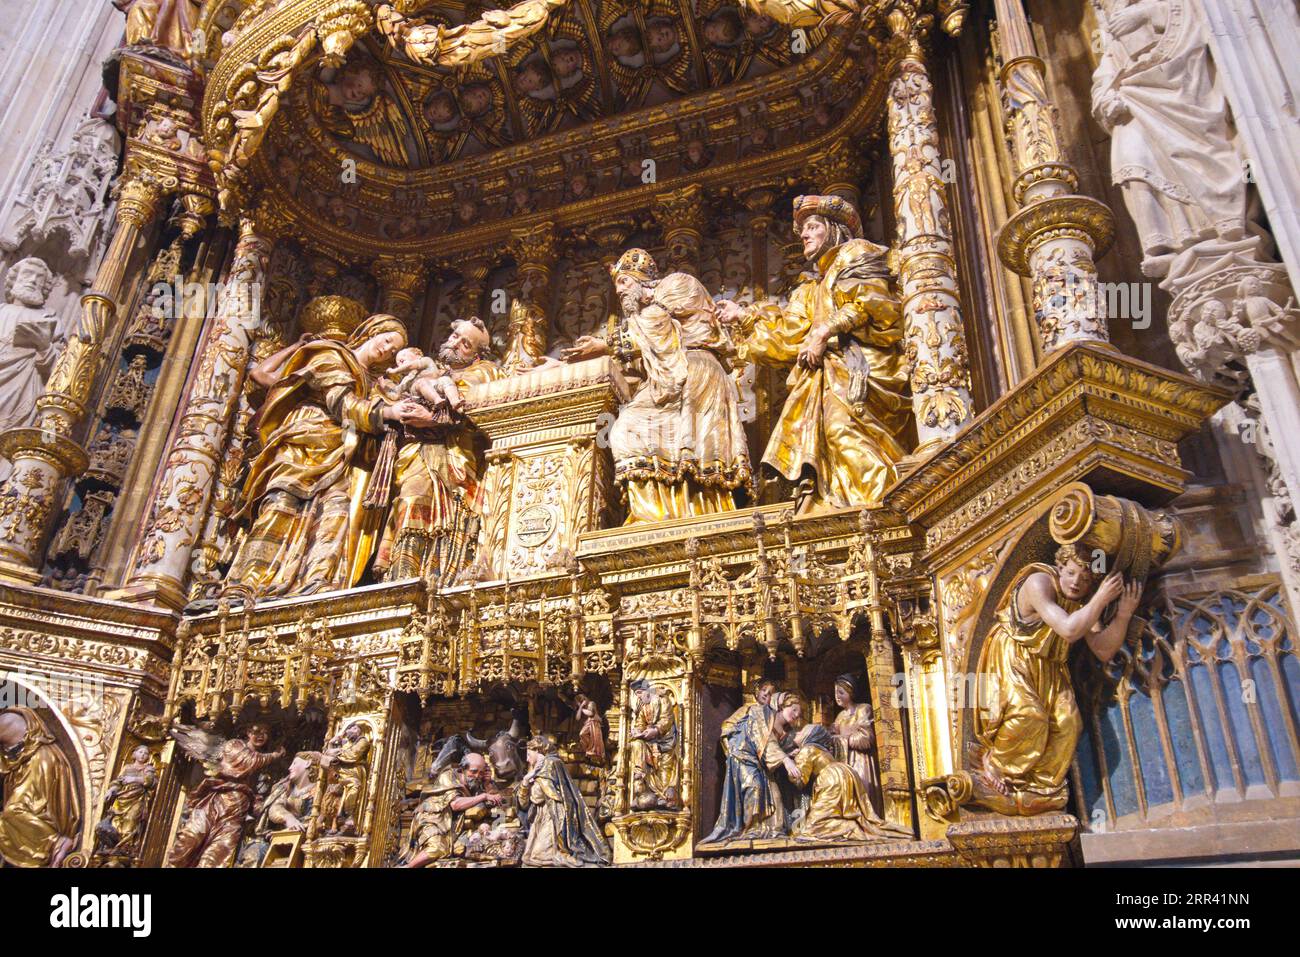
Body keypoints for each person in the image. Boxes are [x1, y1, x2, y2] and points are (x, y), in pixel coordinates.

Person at [717, 195, 909, 511]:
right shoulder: (811, 288)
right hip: (826, 375)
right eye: (802, 230)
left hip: (857, 367)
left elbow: (876, 303)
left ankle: (881, 507)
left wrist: (825, 330)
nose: (804, 235)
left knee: (841, 430)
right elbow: (790, 331)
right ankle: (847, 506)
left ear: (833, 230)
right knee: (829, 436)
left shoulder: (856, 254)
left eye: (812, 227)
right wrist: (742, 315)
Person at [222, 314, 419, 599]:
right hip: (304, 441)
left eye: (392, 351)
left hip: (341, 454)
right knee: (283, 503)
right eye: (386, 340)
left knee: (335, 513)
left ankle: (314, 583)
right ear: (371, 332)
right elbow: (340, 402)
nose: (386, 350)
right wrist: (387, 413)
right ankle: (248, 583)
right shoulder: (331, 355)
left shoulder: (373, 382)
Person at [565, 248, 751, 524]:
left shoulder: (676, 285)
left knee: (641, 433)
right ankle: (657, 514)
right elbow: (638, 365)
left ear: (642, 280)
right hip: (672, 380)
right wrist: (563, 366)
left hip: (696, 373)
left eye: (624, 282)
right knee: (629, 431)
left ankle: (695, 512)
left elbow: (658, 329)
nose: (620, 291)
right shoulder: (645, 317)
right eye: (617, 286)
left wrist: (604, 346)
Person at [973, 544, 1142, 814]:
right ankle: (996, 763)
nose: (1077, 583)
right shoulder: (1038, 583)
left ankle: (1039, 787)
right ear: (1060, 567)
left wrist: (1123, 614)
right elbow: (1068, 628)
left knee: (1068, 724)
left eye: (1086, 579)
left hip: (1050, 664)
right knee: (1028, 716)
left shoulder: (1083, 601)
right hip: (1015, 655)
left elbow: (1103, 649)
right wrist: (1100, 597)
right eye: (1072, 573)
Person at [374, 317, 504, 581]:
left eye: (465, 344)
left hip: (452, 457)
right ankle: (401, 577)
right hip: (416, 451)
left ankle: (431, 578)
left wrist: (432, 418)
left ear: (478, 354)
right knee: (407, 501)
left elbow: (475, 414)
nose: (455, 343)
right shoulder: (432, 369)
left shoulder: (484, 372)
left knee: (419, 500)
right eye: (455, 335)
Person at [167, 723, 284, 868]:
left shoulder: (263, 768)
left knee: (219, 852)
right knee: (191, 837)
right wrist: (274, 755)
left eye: (265, 733)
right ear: (248, 732)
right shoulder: (234, 745)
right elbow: (247, 761)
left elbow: (257, 792)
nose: (261, 735)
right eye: (257, 731)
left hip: (237, 810)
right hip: (217, 801)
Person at [702, 691, 803, 844]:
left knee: (775, 796)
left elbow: (769, 751)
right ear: (783, 705)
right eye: (793, 709)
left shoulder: (784, 732)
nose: (796, 715)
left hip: (762, 765)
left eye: (799, 713)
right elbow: (765, 741)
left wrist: (788, 755)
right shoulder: (762, 713)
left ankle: (773, 832)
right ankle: (751, 829)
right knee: (754, 788)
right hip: (743, 756)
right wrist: (785, 760)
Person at [789, 723, 898, 842]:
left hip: (831, 779)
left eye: (802, 731)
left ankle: (852, 828)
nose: (797, 732)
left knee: (814, 825)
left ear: (809, 736)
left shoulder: (807, 749)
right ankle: (853, 825)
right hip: (846, 773)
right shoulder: (822, 751)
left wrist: (788, 764)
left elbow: (799, 780)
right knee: (834, 813)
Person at [0, 707, 78, 867]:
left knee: (13, 811)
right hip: (30, 763)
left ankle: (56, 842)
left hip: (40, 761)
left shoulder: (7, 718)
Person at [518, 734, 610, 867]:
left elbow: (538, 796)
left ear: (538, 750)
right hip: (541, 817)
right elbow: (523, 803)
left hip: (553, 817)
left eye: (528, 754)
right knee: (531, 857)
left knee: (538, 855)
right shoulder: (537, 771)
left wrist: (532, 779)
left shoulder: (551, 765)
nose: (527, 759)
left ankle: (563, 854)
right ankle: (561, 856)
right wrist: (526, 781)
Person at [403, 752, 501, 867]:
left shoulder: (476, 784)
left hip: (454, 825)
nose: (477, 776)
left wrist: (487, 784)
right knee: (437, 848)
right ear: (462, 769)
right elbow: (456, 804)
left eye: (481, 773)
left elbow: (494, 804)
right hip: (433, 817)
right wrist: (483, 796)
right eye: (473, 771)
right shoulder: (449, 776)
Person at [830, 673, 882, 815]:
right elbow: (832, 737)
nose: (837, 696)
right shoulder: (839, 717)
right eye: (835, 693)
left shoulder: (863, 709)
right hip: (844, 761)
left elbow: (866, 738)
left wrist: (842, 739)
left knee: (862, 791)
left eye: (841, 692)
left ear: (851, 693)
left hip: (860, 760)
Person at [627, 679, 682, 810]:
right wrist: (638, 731)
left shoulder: (662, 699)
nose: (639, 696)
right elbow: (640, 722)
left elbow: (667, 718)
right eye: (637, 694)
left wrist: (656, 730)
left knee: (664, 769)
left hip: (665, 740)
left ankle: (665, 797)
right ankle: (640, 772)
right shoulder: (643, 705)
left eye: (640, 693)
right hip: (650, 742)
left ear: (647, 691)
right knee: (636, 743)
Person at [94, 745, 156, 857]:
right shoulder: (127, 768)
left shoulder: (148, 768)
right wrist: (111, 790)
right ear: (134, 754)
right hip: (122, 798)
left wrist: (134, 779)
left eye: (145, 753)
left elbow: (149, 781)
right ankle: (113, 846)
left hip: (137, 799)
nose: (142, 755)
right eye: (140, 752)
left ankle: (126, 847)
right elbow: (118, 782)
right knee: (115, 821)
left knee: (130, 820)